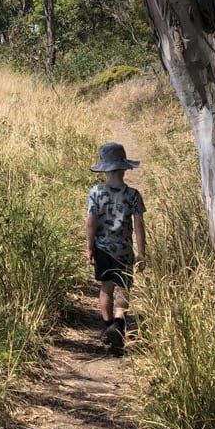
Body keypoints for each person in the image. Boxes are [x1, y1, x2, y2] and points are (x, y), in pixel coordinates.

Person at [85, 142, 146, 352]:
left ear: (104, 168)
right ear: (123, 168)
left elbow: (91, 222)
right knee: (123, 287)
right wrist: (141, 253)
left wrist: (89, 246)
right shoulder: (132, 195)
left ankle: (108, 326)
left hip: (102, 248)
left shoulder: (95, 192)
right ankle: (119, 323)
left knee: (106, 287)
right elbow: (139, 225)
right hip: (124, 250)